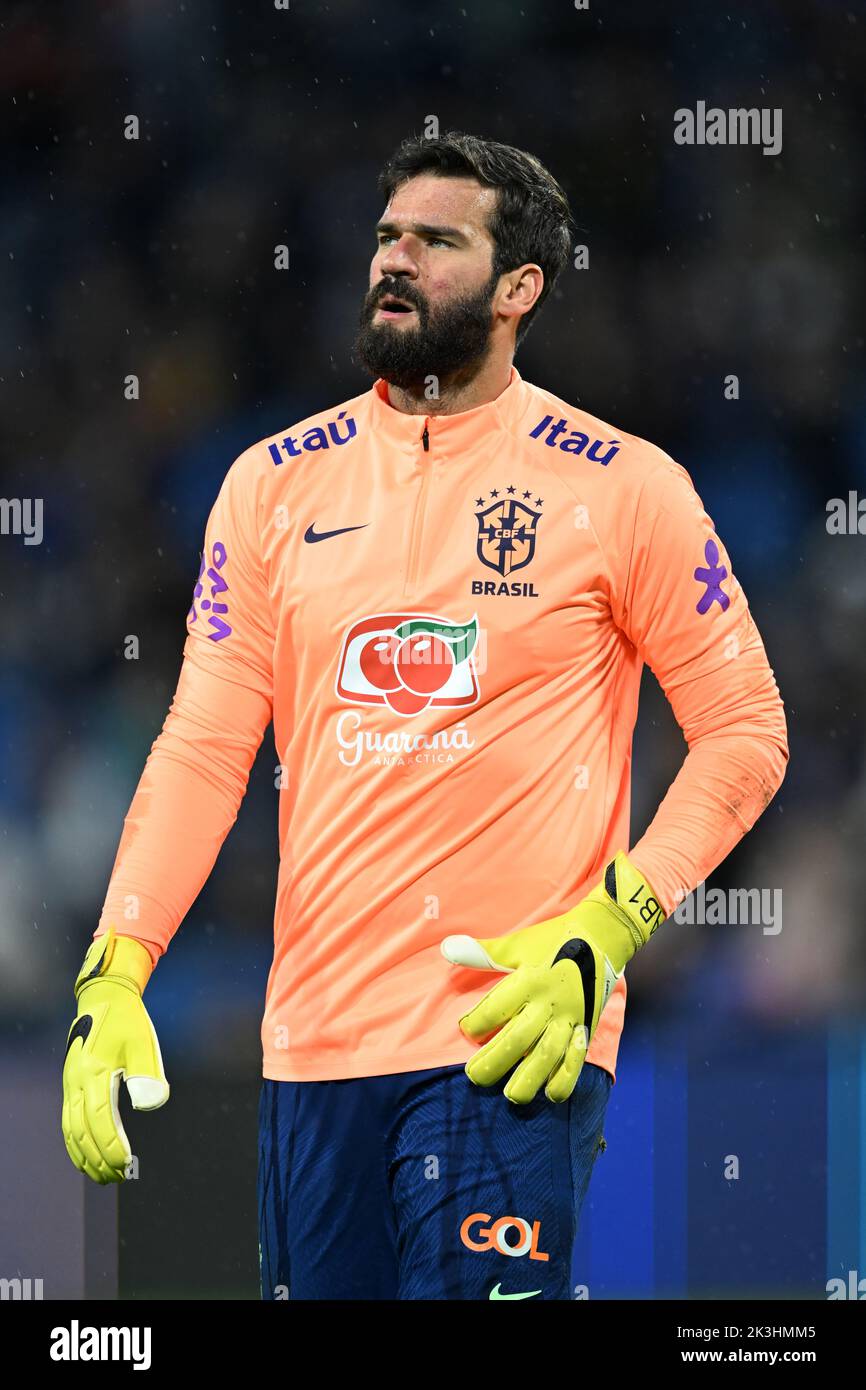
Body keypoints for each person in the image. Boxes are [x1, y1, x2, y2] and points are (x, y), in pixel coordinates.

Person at [62, 131, 788, 1301]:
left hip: (506, 1036)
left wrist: (607, 931)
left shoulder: (622, 487)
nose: (393, 260)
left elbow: (746, 732)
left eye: (435, 241)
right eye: (387, 236)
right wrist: (115, 971)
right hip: (312, 1052)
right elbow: (202, 747)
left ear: (518, 290)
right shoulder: (268, 486)